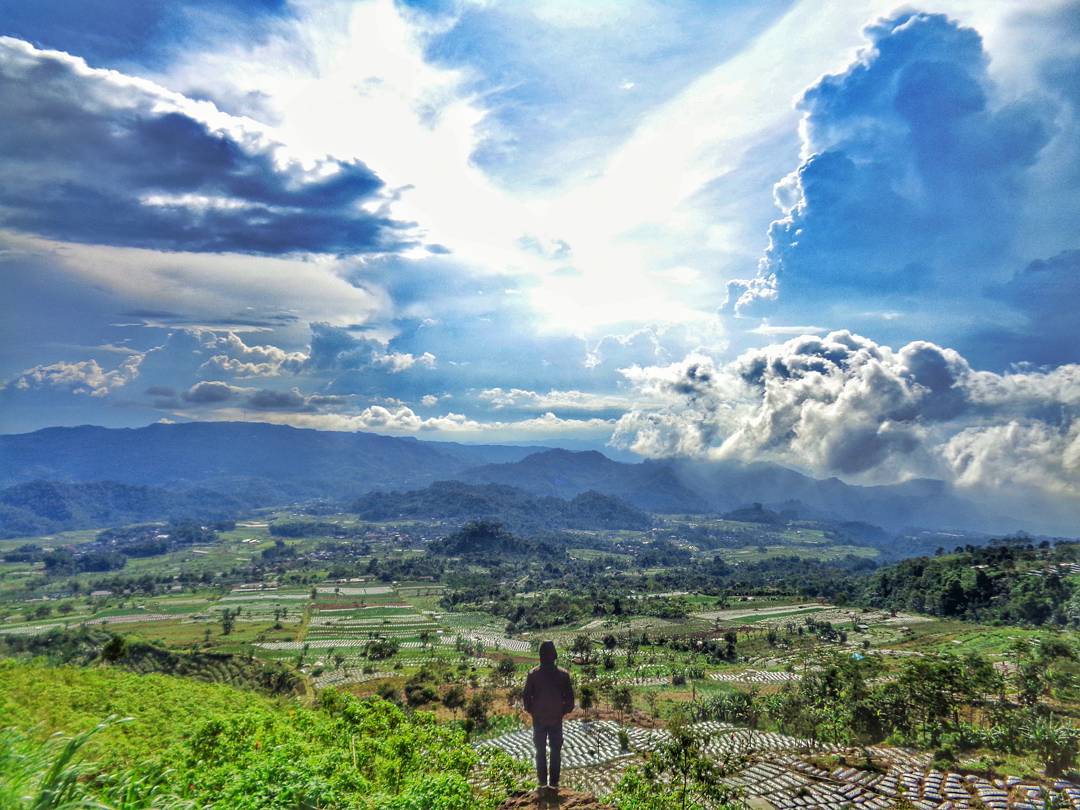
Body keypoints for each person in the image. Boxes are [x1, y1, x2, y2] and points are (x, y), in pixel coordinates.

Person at [522, 640, 574, 792]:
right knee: (555, 750)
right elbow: (570, 701)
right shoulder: (563, 675)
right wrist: (561, 712)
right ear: (555, 655)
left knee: (540, 751)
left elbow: (526, 699)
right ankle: (554, 784)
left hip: (539, 720)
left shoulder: (533, 675)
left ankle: (542, 784)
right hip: (556, 720)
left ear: (540, 655)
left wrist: (534, 712)